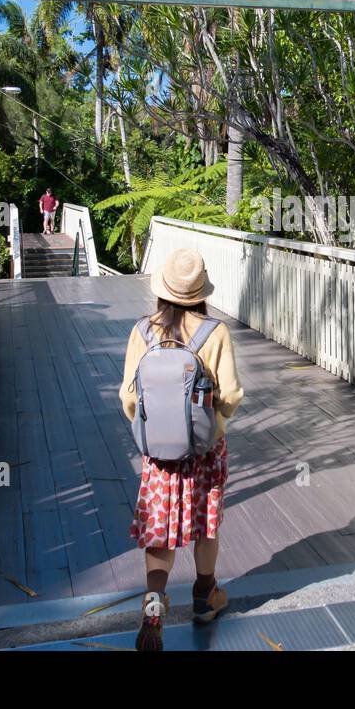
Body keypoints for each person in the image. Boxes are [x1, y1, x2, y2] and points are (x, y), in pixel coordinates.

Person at [119, 247, 244, 651]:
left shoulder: (142, 331)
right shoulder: (215, 332)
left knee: (161, 531)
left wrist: (153, 433)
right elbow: (231, 394)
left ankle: (154, 607)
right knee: (205, 524)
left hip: (159, 456)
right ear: (200, 292)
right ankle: (205, 596)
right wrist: (212, 431)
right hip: (204, 454)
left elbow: (128, 396)